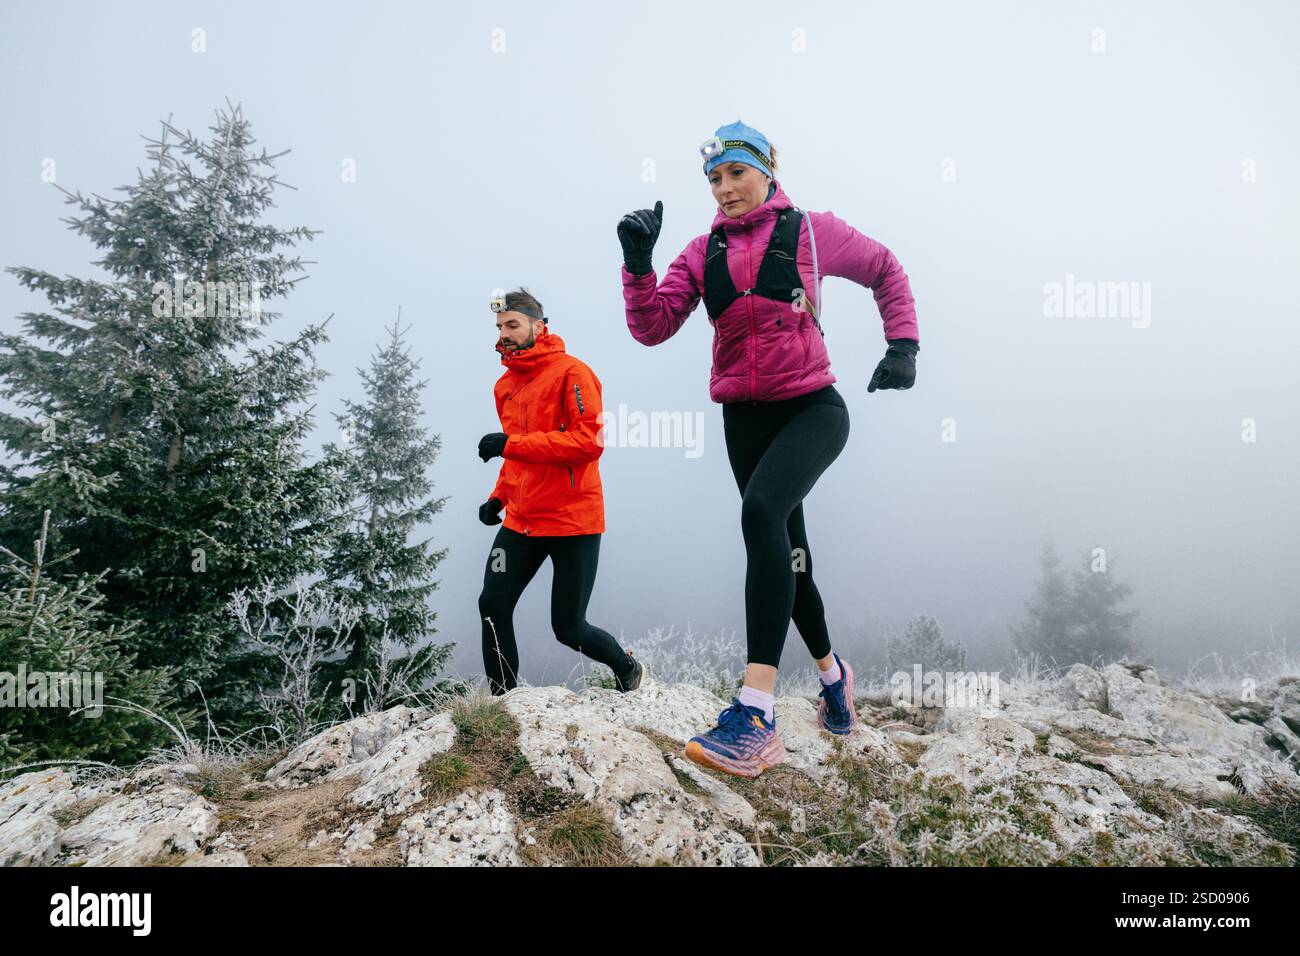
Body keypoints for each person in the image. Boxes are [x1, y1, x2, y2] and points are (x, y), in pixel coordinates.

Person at [616, 121, 920, 778]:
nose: (724, 188)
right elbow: (653, 326)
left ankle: (756, 715)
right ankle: (835, 679)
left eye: (735, 173)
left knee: (760, 515)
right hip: (744, 420)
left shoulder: (810, 232)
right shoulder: (702, 253)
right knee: (793, 559)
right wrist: (638, 265)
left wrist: (903, 346)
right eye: (714, 179)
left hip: (813, 408)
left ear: (766, 172)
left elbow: (884, 268)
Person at [476, 288, 645, 695]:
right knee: (492, 605)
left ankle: (627, 668)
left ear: (539, 324)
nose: (505, 333)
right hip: (522, 521)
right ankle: (504, 702)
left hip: (573, 521)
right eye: (500, 326)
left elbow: (589, 443)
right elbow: (517, 451)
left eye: (513, 325)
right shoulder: (505, 386)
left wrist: (509, 445)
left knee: (568, 628)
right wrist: (498, 496)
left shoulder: (573, 373)